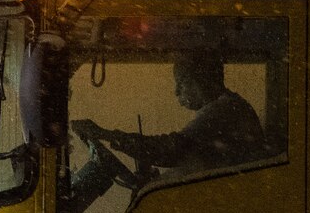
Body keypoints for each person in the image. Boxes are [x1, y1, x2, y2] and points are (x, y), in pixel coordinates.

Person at [70, 50, 265, 180]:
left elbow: (171, 150)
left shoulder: (223, 110)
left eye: (181, 82)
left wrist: (106, 134)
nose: (176, 92)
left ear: (202, 78)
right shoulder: (228, 108)